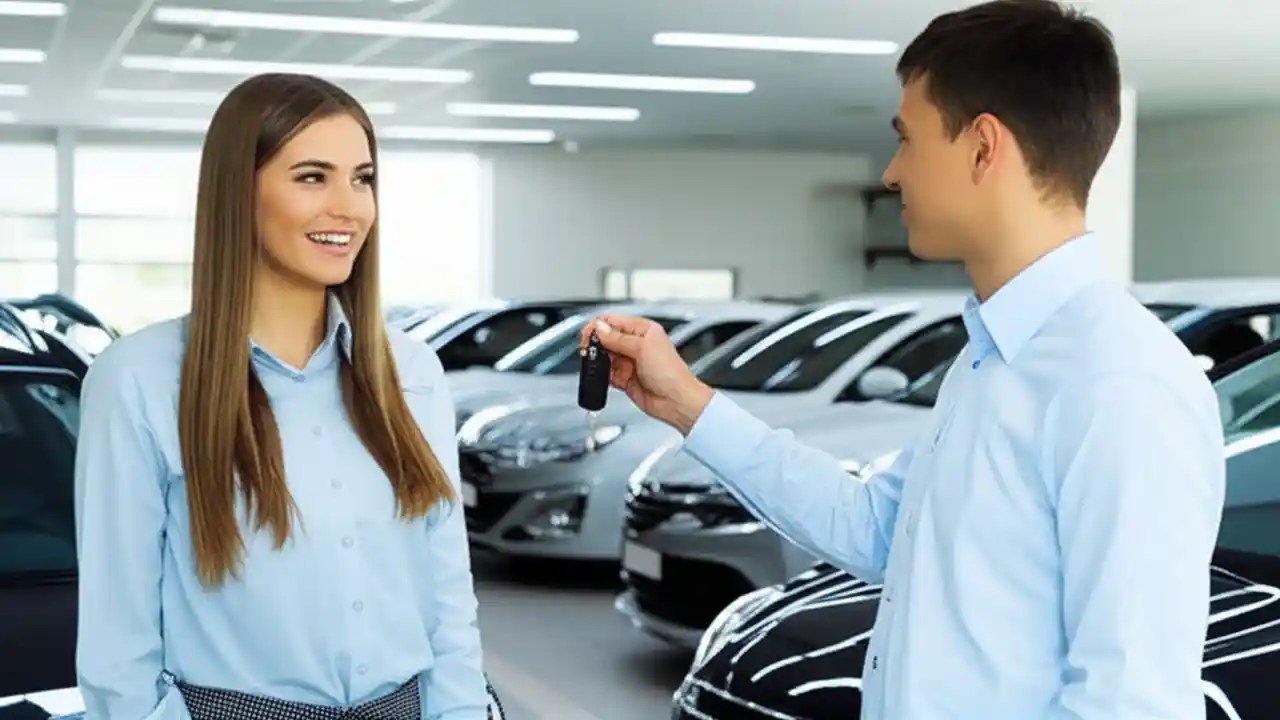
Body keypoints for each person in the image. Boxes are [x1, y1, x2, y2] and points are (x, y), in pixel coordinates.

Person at [583, 1, 1225, 718]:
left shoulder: (1121, 384)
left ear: (984, 147)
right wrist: (684, 403)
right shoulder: (993, 363)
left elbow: (1132, 703)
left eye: (907, 139)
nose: (892, 173)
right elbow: (877, 527)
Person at [73, 73, 488, 719]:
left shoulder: (412, 370)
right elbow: (115, 636)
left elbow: (446, 594)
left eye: (363, 177)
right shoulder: (139, 378)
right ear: (240, 192)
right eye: (312, 176)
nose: (349, 207)